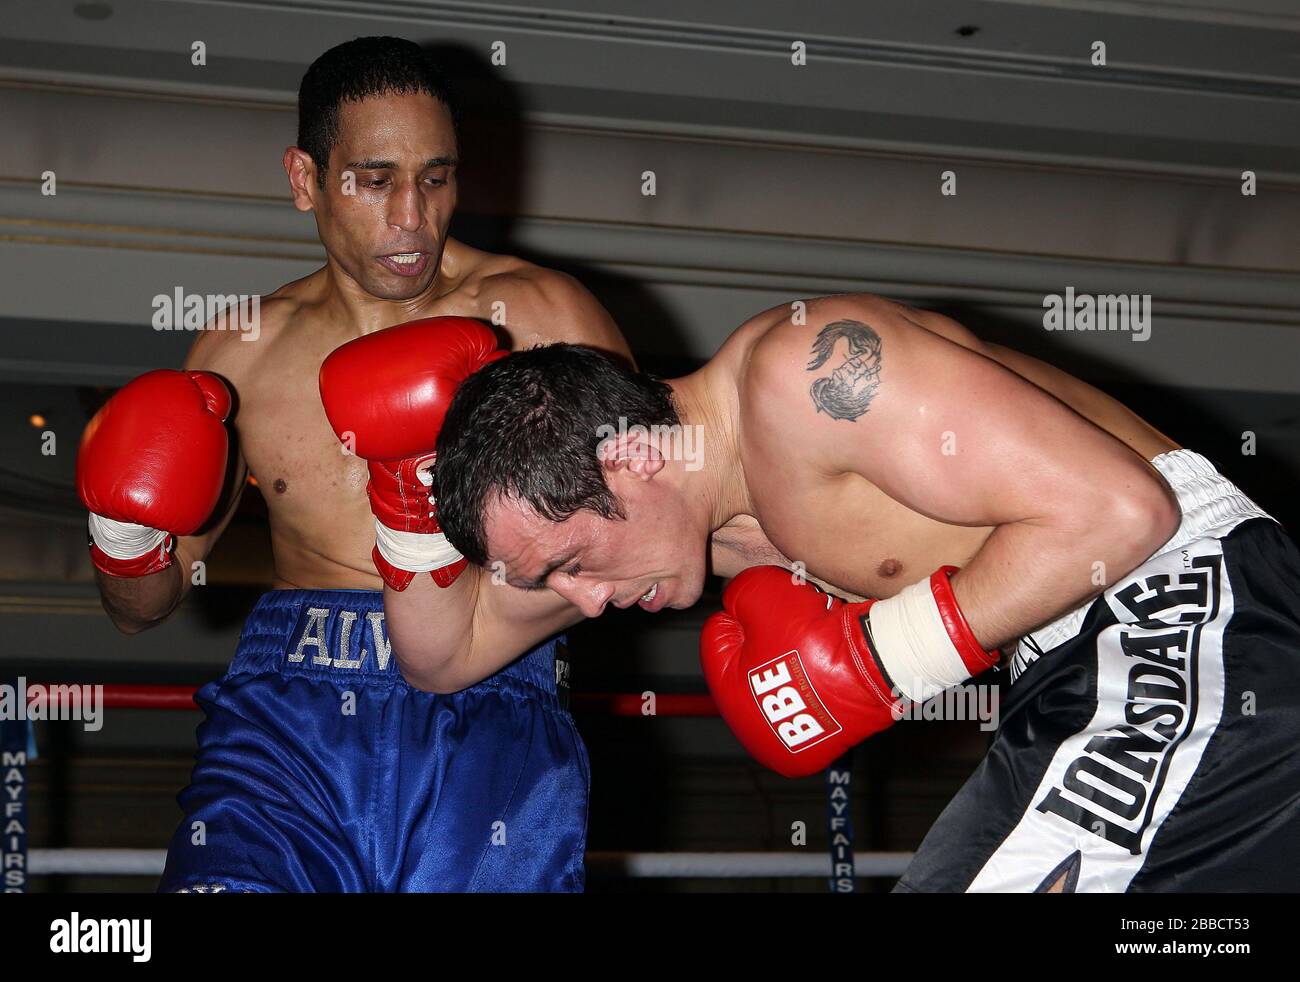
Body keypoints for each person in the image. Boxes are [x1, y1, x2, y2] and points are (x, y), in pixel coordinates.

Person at [425, 292, 1300, 892]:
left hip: (1180, 604)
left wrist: (878, 663)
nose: (579, 602)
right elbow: (447, 657)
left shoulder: (803, 380)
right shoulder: (720, 532)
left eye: (570, 562)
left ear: (633, 458)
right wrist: (398, 520)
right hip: (1080, 669)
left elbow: (1122, 513)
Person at [76, 36, 629, 892]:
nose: (412, 217)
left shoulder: (542, 317)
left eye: (435, 178)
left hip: (485, 702)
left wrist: (487, 618)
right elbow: (140, 610)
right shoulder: (240, 353)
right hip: (287, 715)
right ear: (305, 180)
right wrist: (121, 532)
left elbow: (649, 528)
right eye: (375, 181)